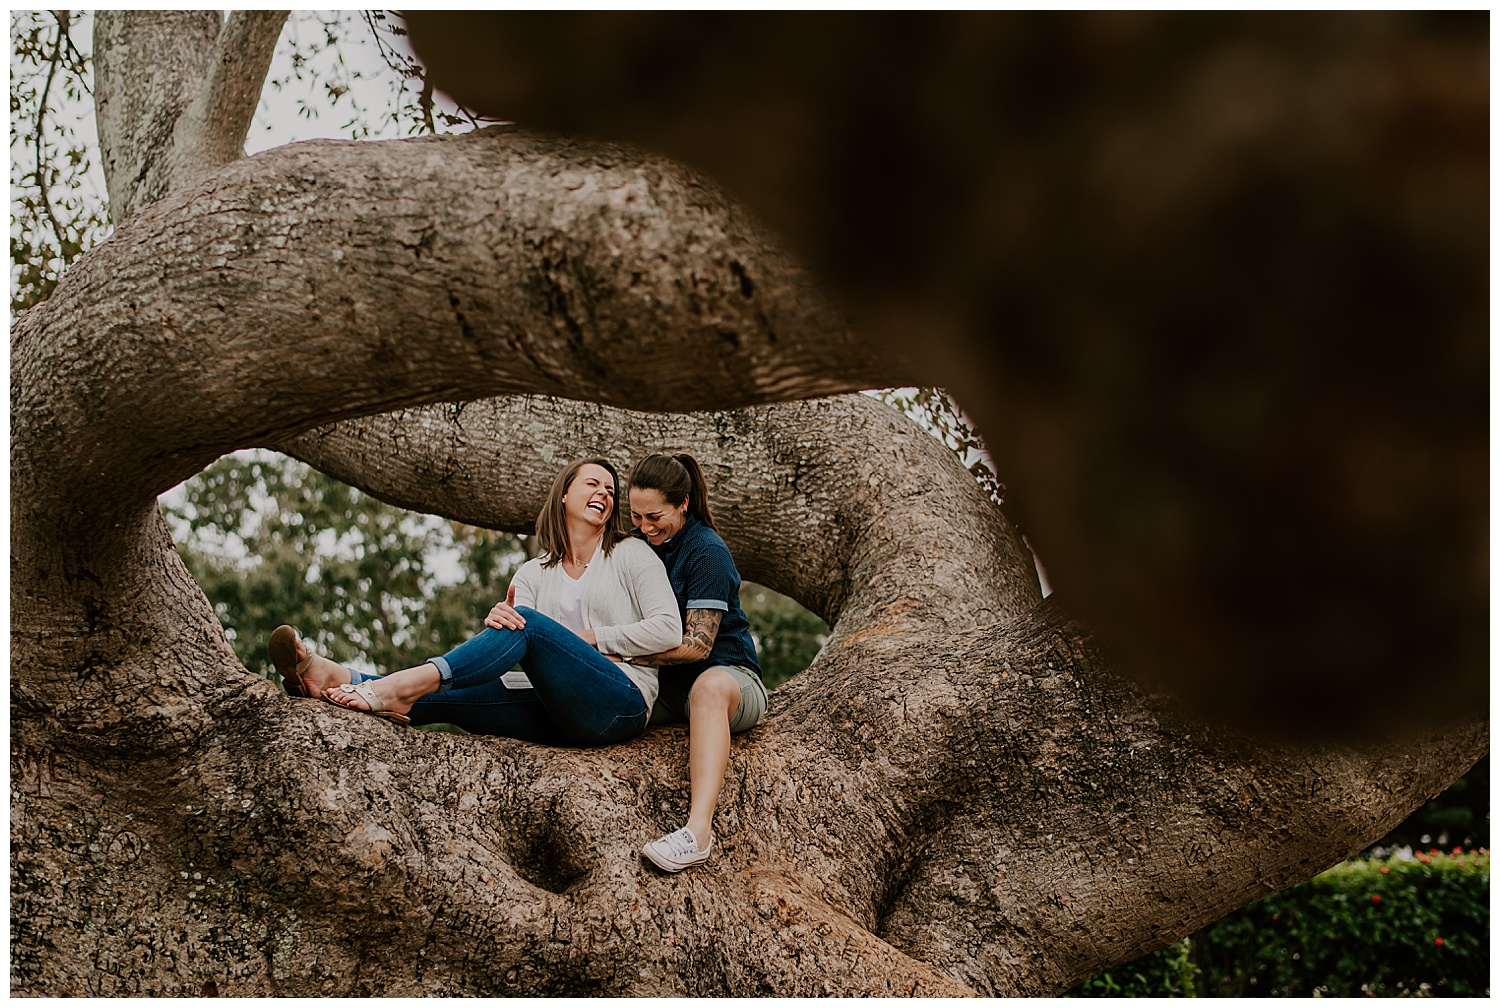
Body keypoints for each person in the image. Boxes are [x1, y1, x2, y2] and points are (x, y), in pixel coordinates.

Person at [269, 458, 681, 746]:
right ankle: (337, 679)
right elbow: (522, 642)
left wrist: (588, 638)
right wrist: (500, 622)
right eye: (592, 483)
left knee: (527, 622)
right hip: (556, 711)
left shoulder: (630, 552)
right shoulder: (532, 572)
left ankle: (393, 684)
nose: (604, 493)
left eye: (610, 490)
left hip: (619, 704)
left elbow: (668, 628)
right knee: (455, 696)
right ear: (564, 495)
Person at [626, 452, 768, 872]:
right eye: (635, 516)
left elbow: (697, 648)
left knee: (707, 686)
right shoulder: (635, 546)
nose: (645, 526)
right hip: (665, 685)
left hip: (729, 680)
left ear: (682, 503)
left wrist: (621, 650)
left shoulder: (707, 551)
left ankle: (697, 832)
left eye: (654, 516)